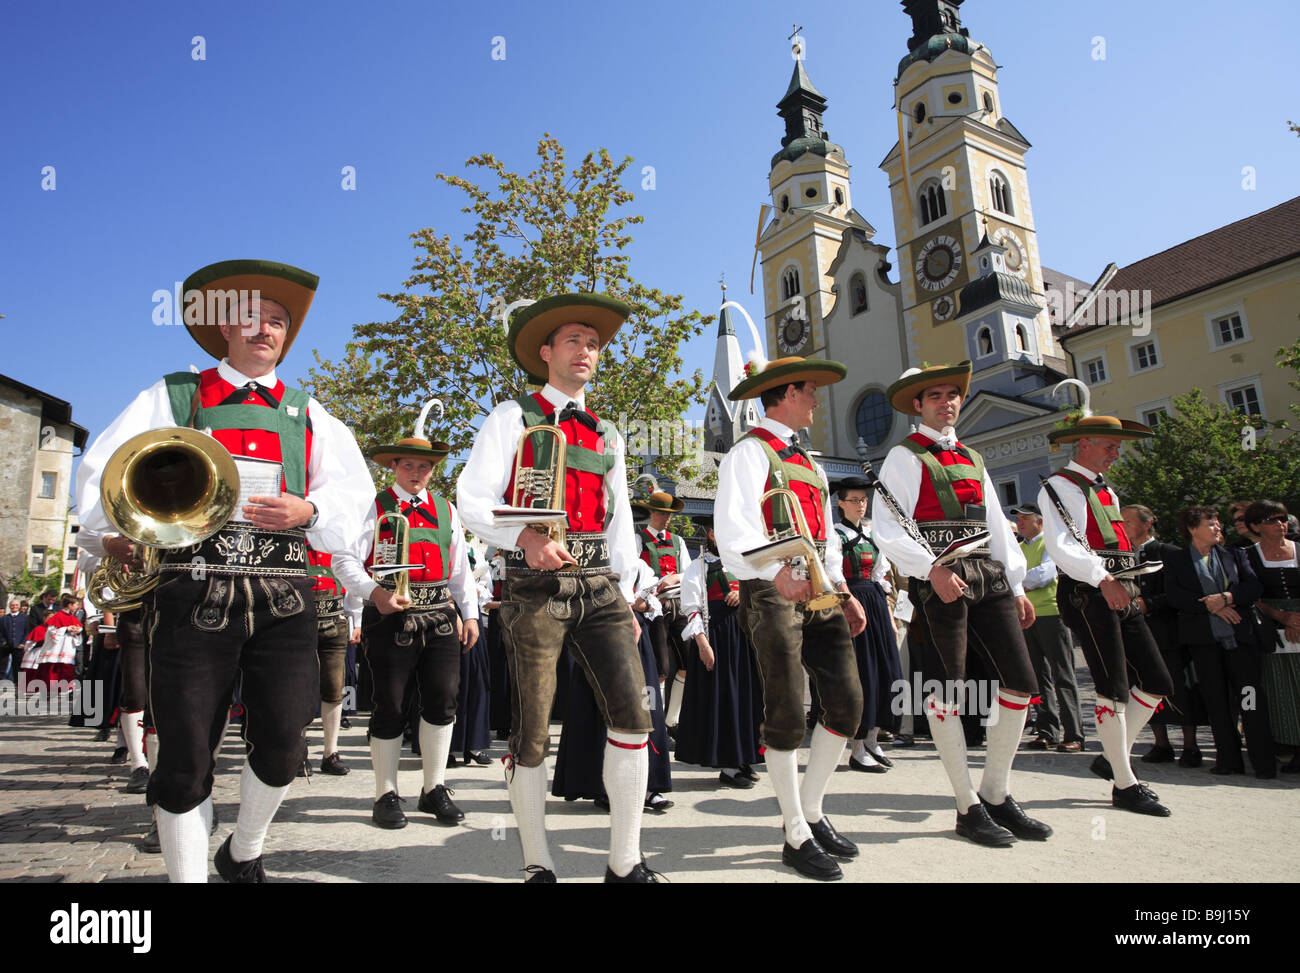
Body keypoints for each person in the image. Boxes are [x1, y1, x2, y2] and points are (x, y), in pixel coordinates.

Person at [75, 259, 374, 882]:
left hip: (285, 596)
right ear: (224, 331)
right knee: (183, 754)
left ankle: (243, 851)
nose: (265, 329)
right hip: (190, 590)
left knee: (286, 749)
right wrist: (109, 536)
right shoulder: (173, 394)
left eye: (278, 321)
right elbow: (104, 467)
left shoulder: (311, 414)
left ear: (286, 339)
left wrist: (309, 507)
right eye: (252, 318)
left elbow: (357, 498)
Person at [456, 292, 657, 883]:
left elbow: (619, 522)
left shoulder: (608, 434)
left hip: (600, 587)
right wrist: (524, 540)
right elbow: (472, 500)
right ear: (545, 352)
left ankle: (624, 861)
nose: (586, 351)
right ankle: (537, 861)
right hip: (534, 587)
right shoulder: (510, 417)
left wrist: (627, 591)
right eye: (574, 340)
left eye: (593, 344)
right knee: (534, 733)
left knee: (633, 717)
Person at [872, 362, 1050, 847]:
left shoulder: (972, 455)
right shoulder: (903, 457)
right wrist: (930, 569)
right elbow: (887, 528)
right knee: (947, 688)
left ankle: (996, 792)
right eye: (936, 396)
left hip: (988, 576)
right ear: (918, 405)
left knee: (1020, 681)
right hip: (941, 579)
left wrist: (1015, 586)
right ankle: (966, 806)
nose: (947, 402)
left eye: (953, 395)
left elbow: (996, 523)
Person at [715, 353, 868, 880]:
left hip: (819, 590)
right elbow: (731, 530)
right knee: (785, 710)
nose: (817, 401)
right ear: (787, 393)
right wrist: (773, 571)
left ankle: (812, 810)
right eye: (811, 392)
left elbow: (824, 536)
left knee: (847, 704)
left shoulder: (812, 464)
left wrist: (843, 590)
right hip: (772, 591)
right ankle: (795, 832)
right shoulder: (749, 453)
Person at [332, 406, 480, 828]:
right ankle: (386, 793)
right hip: (390, 616)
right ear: (393, 466)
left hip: (438, 617)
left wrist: (468, 613)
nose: (417, 472)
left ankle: (433, 789)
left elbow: (459, 570)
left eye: (425, 466)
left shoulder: (447, 510)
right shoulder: (373, 505)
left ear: (433, 470)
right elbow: (344, 559)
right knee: (390, 704)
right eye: (409, 464)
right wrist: (373, 594)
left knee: (443, 699)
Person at [1036, 410, 1174, 817]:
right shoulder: (1059, 486)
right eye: (1110, 446)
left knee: (1156, 680)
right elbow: (1062, 546)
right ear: (1085, 445)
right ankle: (1124, 784)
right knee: (1112, 686)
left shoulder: (1107, 491)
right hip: (1088, 592)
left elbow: (1113, 542)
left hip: (1119, 586)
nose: (1116, 453)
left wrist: (1128, 576)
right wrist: (1103, 579)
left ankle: (1115, 758)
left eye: (1117, 447)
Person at [1162, 506, 1274, 778]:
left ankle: (1263, 762)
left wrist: (1226, 599)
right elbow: (1175, 596)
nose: (1217, 527)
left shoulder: (1234, 555)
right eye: (1210, 523)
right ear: (1192, 528)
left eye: (1218, 523)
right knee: (1217, 702)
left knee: (1249, 698)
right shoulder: (1177, 560)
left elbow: (1253, 587)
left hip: (1240, 641)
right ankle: (1229, 760)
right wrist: (1211, 606)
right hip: (1204, 643)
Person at [675, 515, 763, 788]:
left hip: (743, 638)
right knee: (723, 701)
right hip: (717, 638)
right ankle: (727, 766)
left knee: (746, 699)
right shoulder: (697, 567)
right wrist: (702, 645)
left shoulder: (743, 564)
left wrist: (744, 596)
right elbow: (691, 609)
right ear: (711, 535)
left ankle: (743, 756)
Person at [1122, 504, 1205, 766]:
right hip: (1134, 631)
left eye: (1129, 522)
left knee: (1178, 688)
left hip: (1167, 631)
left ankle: (1190, 745)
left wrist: (1151, 604)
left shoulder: (1168, 553)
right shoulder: (1122, 555)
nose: (1123, 527)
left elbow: (1184, 592)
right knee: (1143, 686)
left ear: (1147, 524)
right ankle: (1161, 743)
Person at [833, 477, 903, 772]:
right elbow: (833, 573)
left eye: (863, 500)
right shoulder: (835, 535)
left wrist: (889, 617)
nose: (861, 505)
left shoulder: (873, 535)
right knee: (863, 673)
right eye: (854, 500)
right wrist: (848, 602)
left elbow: (880, 576)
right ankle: (857, 745)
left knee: (887, 671)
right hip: (850, 601)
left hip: (875, 603)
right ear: (841, 503)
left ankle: (875, 739)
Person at [1011, 503, 1085, 753]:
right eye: (1018, 519)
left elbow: (1043, 575)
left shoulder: (1051, 545)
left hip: (1052, 614)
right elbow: (1012, 576)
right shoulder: (1019, 548)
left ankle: (1073, 732)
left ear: (1039, 522)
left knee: (1063, 674)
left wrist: (1018, 582)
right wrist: (1019, 582)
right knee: (1037, 678)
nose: (1020, 522)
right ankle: (1047, 730)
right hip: (1026, 617)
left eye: (1025, 518)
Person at [1243, 500, 1300, 773]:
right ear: (1256, 526)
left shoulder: (1299, 550)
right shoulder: (1248, 556)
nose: (1281, 524)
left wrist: (1296, 618)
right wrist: (1281, 616)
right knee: (1279, 688)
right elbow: (1251, 594)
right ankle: (1288, 745)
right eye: (1273, 520)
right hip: (1270, 624)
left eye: (1283, 519)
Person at [633, 490, 693, 730]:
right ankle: (650, 720)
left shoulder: (678, 541)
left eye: (669, 514)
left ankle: (670, 721)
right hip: (652, 608)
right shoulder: (638, 539)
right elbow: (632, 571)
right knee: (658, 669)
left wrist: (673, 578)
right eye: (662, 512)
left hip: (677, 604)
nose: (667, 518)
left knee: (687, 663)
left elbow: (688, 572)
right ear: (651, 512)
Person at [304, 544, 359, 776]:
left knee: (334, 687)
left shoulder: (337, 541)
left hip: (336, 619)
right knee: (299, 688)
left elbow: (353, 578)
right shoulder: (297, 540)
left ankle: (330, 751)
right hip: (300, 620)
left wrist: (357, 621)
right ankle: (298, 750)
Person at [2, 598, 27, 682]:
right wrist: (3, 641)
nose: (14, 607)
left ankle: (20, 684)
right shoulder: (4, 618)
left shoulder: (25, 618)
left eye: (16, 605)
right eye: (12, 605)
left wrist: (23, 643)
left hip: (19, 645)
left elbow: (27, 631)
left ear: (19, 606)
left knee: (19, 666)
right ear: (10, 606)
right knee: (3, 665)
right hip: (7, 645)